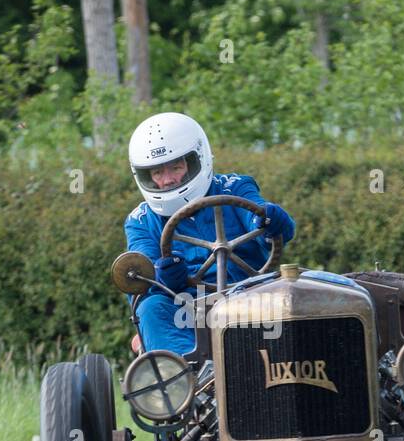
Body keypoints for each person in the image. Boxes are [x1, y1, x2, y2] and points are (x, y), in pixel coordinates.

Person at [124, 112, 295, 355]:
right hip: (189, 314)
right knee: (151, 308)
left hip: (253, 296)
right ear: (144, 176)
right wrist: (164, 278)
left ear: (197, 160)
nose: (167, 180)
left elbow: (259, 218)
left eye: (176, 167)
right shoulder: (140, 221)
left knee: (302, 292)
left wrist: (268, 222)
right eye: (157, 173)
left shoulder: (235, 187)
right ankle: (189, 379)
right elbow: (142, 271)